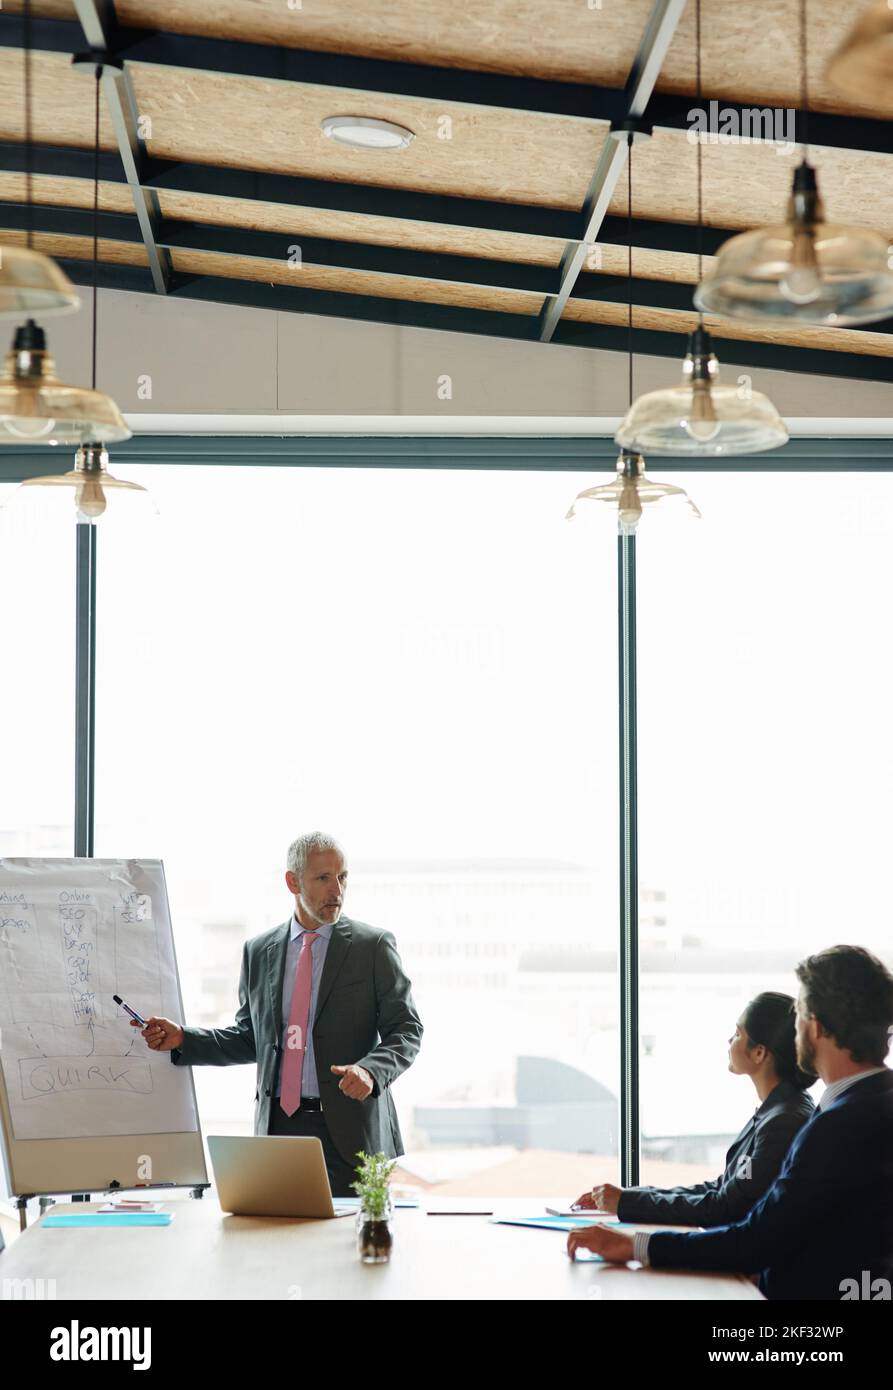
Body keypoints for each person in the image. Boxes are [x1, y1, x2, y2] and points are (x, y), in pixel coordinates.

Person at [567, 945, 893, 1300]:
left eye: (798, 1013)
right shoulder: (864, 1106)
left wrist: (636, 1245)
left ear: (814, 1027)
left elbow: (756, 1239)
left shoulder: (834, 1126)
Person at [133, 831, 423, 1196]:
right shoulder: (259, 951)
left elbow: (407, 1030)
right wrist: (184, 1039)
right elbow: (252, 1038)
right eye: (323, 878)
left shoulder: (373, 947)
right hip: (278, 1130)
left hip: (352, 1134)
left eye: (343, 877)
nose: (337, 890)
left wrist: (370, 1070)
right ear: (292, 881)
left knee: (345, 1250)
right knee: (276, 1246)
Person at [572, 993, 816, 1227]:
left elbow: (724, 1207)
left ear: (759, 1052)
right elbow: (722, 1188)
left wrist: (629, 1202)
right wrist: (630, 1196)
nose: (729, 1041)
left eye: (737, 1034)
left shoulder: (783, 1122)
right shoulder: (776, 1110)